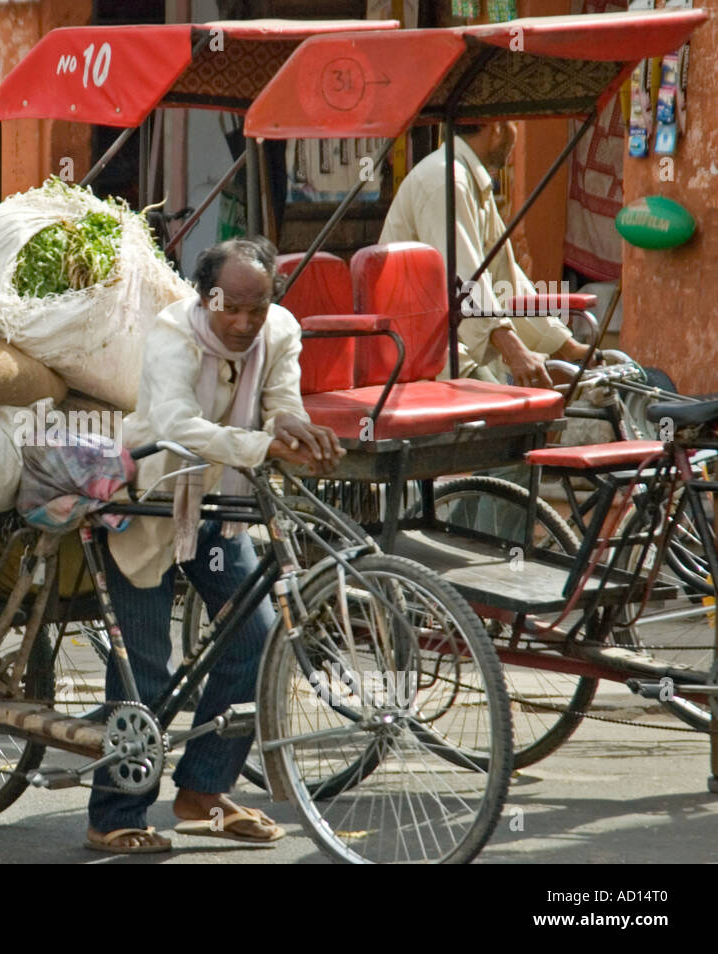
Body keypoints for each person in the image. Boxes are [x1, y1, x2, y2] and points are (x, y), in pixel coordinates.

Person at [86, 237, 344, 854]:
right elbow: (175, 425)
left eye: (257, 309)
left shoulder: (280, 331)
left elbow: (281, 400)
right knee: (144, 671)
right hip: (149, 505)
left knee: (254, 641)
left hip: (221, 511)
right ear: (206, 298)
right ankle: (114, 813)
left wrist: (290, 424)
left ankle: (202, 792)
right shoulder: (173, 333)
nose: (244, 324)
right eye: (232, 309)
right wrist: (261, 447)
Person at [380, 121, 596, 389]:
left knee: (539, 403)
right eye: (512, 125)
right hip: (421, 349)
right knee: (514, 412)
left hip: (454, 342)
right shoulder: (447, 179)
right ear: (496, 128)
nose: (515, 135)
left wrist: (567, 345)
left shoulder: (469, 180)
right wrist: (514, 351)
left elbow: (503, 278)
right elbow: (463, 277)